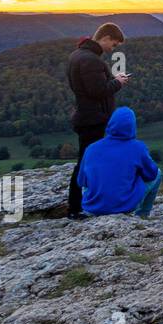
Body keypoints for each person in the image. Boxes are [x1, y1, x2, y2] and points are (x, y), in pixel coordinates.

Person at [66, 22, 129, 219]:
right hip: (93, 120)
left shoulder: (78, 55)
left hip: (87, 116)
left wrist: (111, 80)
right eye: (114, 44)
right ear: (106, 38)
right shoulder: (91, 61)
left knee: (89, 162)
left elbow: (92, 87)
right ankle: (76, 208)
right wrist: (117, 83)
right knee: (86, 164)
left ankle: (82, 205)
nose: (113, 49)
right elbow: (98, 91)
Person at [76, 106, 161, 218]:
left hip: (93, 208)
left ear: (111, 123)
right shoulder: (138, 148)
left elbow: (81, 181)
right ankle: (142, 215)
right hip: (125, 206)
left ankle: (95, 208)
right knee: (158, 173)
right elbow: (151, 174)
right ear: (133, 126)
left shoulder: (91, 148)